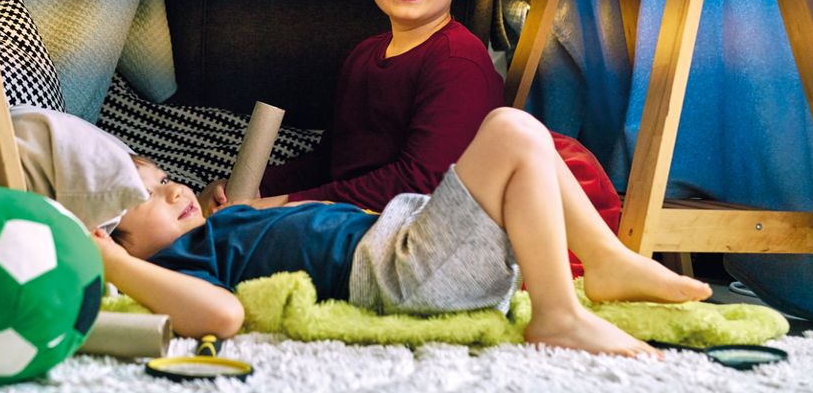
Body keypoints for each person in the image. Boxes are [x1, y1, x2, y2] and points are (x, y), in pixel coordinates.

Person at [93, 107, 711, 356]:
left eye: (164, 177)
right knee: (510, 130)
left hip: (412, 242)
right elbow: (221, 315)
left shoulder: (215, 227)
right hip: (399, 272)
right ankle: (558, 312)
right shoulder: (170, 267)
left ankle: (605, 262)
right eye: (142, 196)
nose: (172, 190)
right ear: (118, 239)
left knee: (533, 145)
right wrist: (118, 268)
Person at [200, 0, 504, 214]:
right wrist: (256, 189)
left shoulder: (458, 60)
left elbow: (421, 184)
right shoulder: (363, 56)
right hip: (343, 214)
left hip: (409, 223)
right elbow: (331, 162)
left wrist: (278, 206)